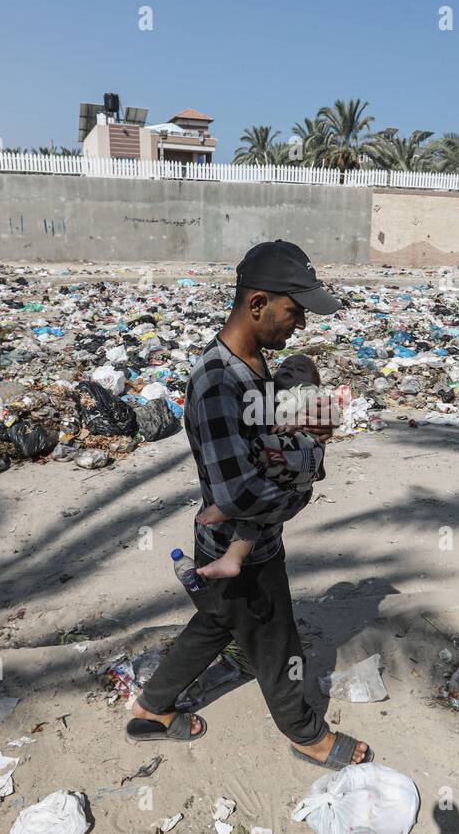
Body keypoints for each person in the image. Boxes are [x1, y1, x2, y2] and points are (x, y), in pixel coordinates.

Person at [126, 240, 373, 771]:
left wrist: (309, 437)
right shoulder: (219, 382)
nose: (301, 326)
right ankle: (306, 734)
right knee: (278, 641)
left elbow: (265, 447)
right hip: (244, 542)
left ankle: (150, 708)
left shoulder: (255, 363)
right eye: (295, 311)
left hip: (235, 538)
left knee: (215, 624)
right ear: (257, 303)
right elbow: (237, 493)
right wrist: (305, 484)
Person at [197, 353, 333, 581]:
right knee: (257, 509)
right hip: (286, 466)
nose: (290, 369)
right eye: (285, 365)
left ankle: (228, 509)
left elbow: (321, 414)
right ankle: (234, 556)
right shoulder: (269, 394)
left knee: (258, 456)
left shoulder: (307, 393)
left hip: (299, 454)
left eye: (300, 370)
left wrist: (296, 421)